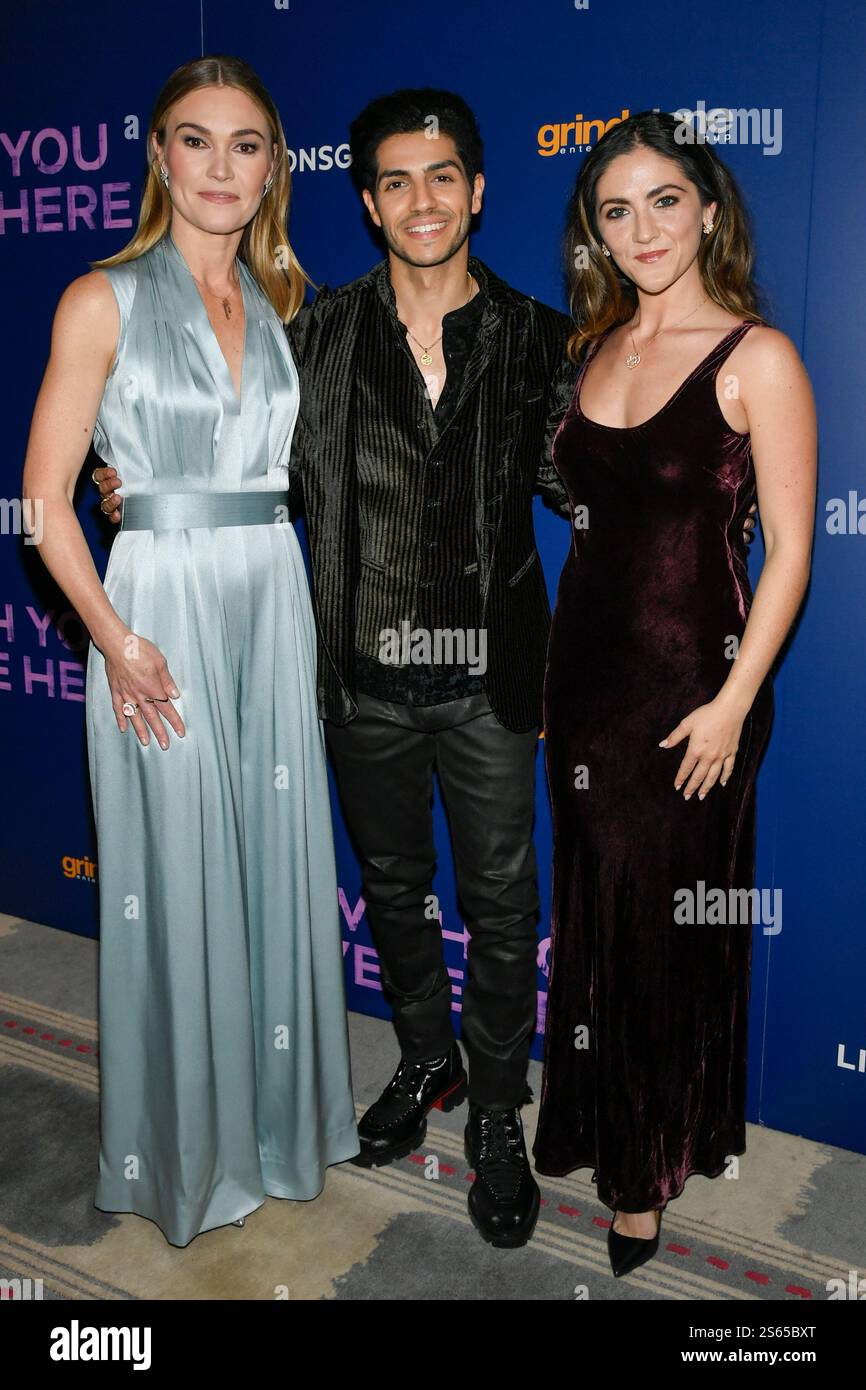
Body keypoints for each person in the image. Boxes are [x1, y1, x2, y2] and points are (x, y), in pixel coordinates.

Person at [23, 55, 359, 1249]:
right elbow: (47, 501)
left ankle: (274, 1129)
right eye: (196, 140)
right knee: (173, 880)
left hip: (271, 595)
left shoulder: (287, 303)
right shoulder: (100, 297)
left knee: (267, 863)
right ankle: (184, 1157)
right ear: (159, 155)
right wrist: (113, 640)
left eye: (248, 145)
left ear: (274, 168)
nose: (222, 167)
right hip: (156, 613)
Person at [532, 109, 816, 1277]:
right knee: (596, 917)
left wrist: (733, 703)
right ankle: (597, 1118)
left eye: (661, 200)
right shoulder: (588, 349)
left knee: (663, 930)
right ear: (593, 233)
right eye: (614, 209)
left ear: (706, 209)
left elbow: (791, 551)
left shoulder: (756, 358)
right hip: (588, 689)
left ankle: (645, 1175)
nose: (639, 226)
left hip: (696, 694)